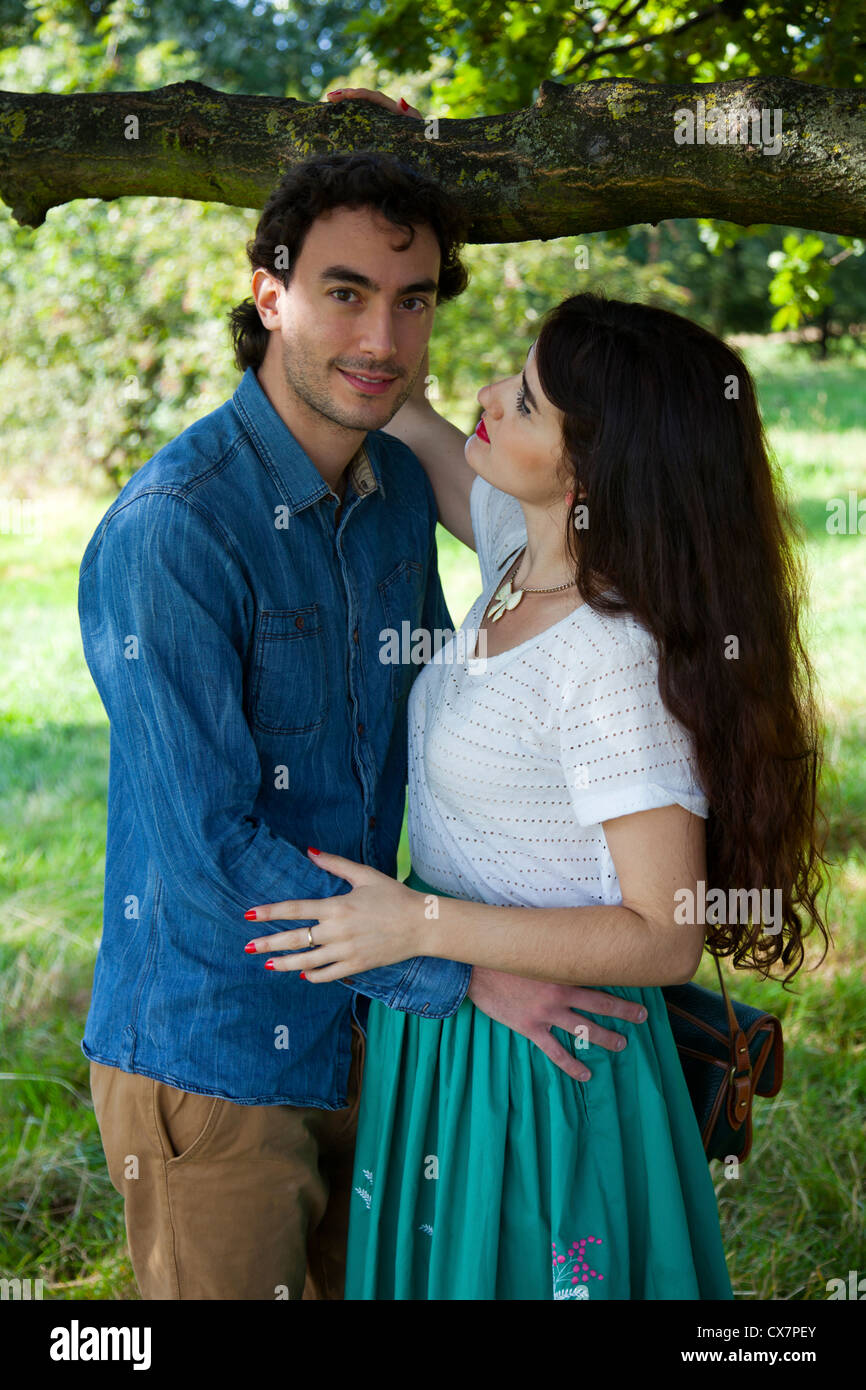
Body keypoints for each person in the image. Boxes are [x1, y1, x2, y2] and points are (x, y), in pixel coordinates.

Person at [245, 106, 829, 1298]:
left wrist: (418, 928)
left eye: (522, 395)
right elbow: (380, 388)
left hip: (543, 1057)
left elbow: (662, 930)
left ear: (588, 464)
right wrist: (363, 183)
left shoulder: (608, 658)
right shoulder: (524, 549)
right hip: (459, 1029)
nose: (485, 397)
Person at [78, 149, 646, 1301]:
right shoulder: (172, 532)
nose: (382, 336)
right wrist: (460, 966)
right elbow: (206, 852)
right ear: (269, 294)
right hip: (215, 1053)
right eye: (344, 291)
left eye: (414, 299)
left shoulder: (390, 500)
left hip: (370, 1042)